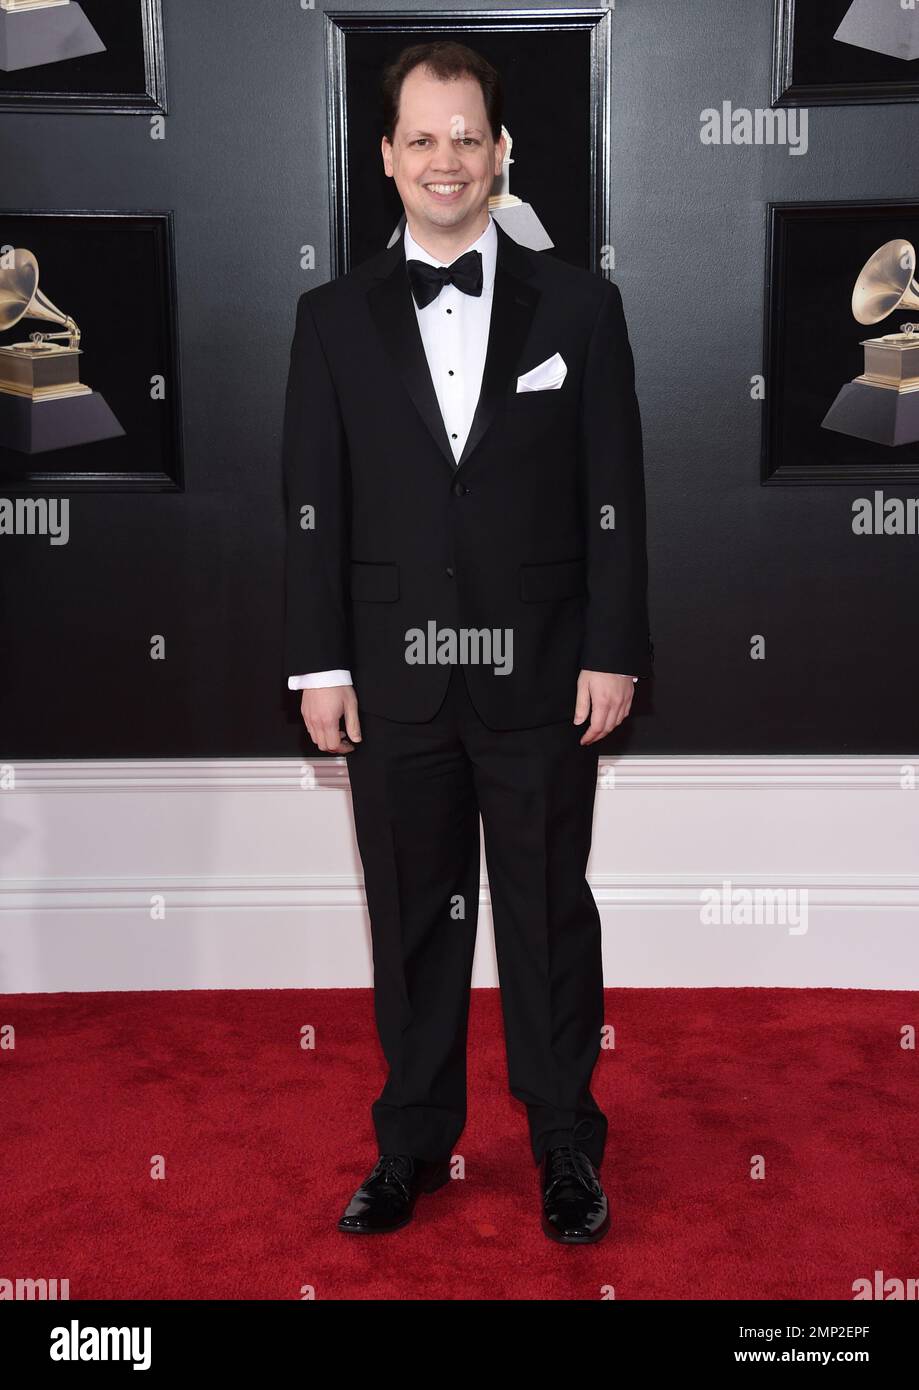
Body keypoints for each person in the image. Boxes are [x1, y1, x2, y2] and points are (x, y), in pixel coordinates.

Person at [282, 40, 652, 1244]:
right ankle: (411, 1147)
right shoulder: (329, 319)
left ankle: (562, 1150)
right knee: (410, 918)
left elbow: (616, 490)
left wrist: (613, 646)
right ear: (386, 156)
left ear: (502, 152)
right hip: (390, 681)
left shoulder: (581, 306)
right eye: (422, 137)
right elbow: (311, 503)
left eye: (468, 136)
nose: (447, 159)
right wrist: (319, 663)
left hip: (545, 672)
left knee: (547, 915)